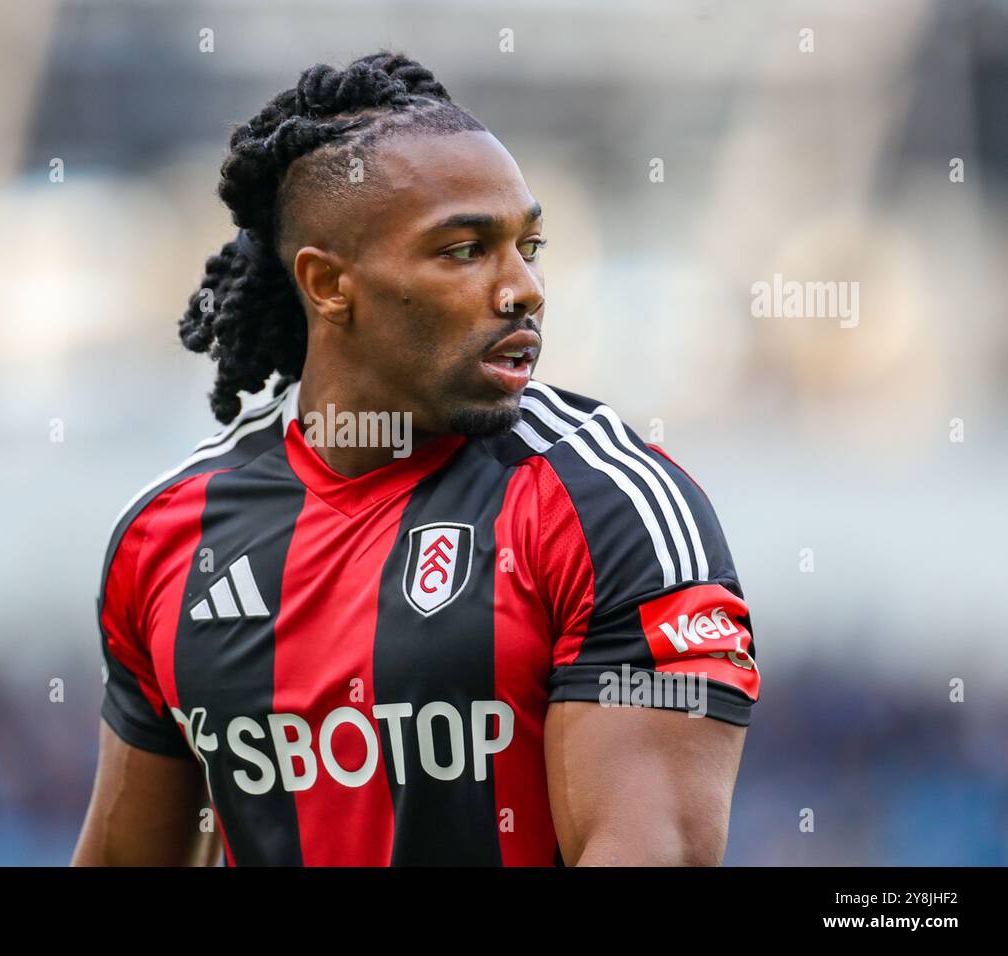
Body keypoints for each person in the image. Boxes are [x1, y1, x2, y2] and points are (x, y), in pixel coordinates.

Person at [72, 51, 759, 867]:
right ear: (329, 285)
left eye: (528, 245)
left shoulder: (610, 506)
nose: (523, 288)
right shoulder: (168, 536)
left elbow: (657, 854)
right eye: (465, 250)